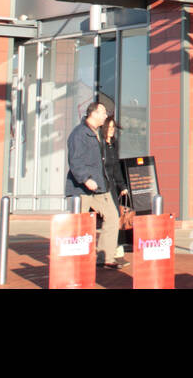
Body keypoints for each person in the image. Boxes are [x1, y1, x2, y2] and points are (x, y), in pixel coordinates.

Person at [66, 100, 123, 269]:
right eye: (103, 112)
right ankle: (75, 260)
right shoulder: (79, 134)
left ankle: (105, 257)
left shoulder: (97, 133)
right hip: (83, 188)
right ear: (94, 113)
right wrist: (85, 179)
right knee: (80, 225)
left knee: (113, 216)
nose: (106, 116)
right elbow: (75, 161)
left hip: (100, 187)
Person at [101, 117, 130, 258]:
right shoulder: (100, 144)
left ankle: (111, 248)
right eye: (110, 127)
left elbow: (116, 166)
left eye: (113, 127)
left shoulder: (113, 144)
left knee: (115, 215)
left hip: (111, 184)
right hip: (101, 185)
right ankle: (107, 250)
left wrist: (122, 185)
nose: (112, 130)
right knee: (110, 216)